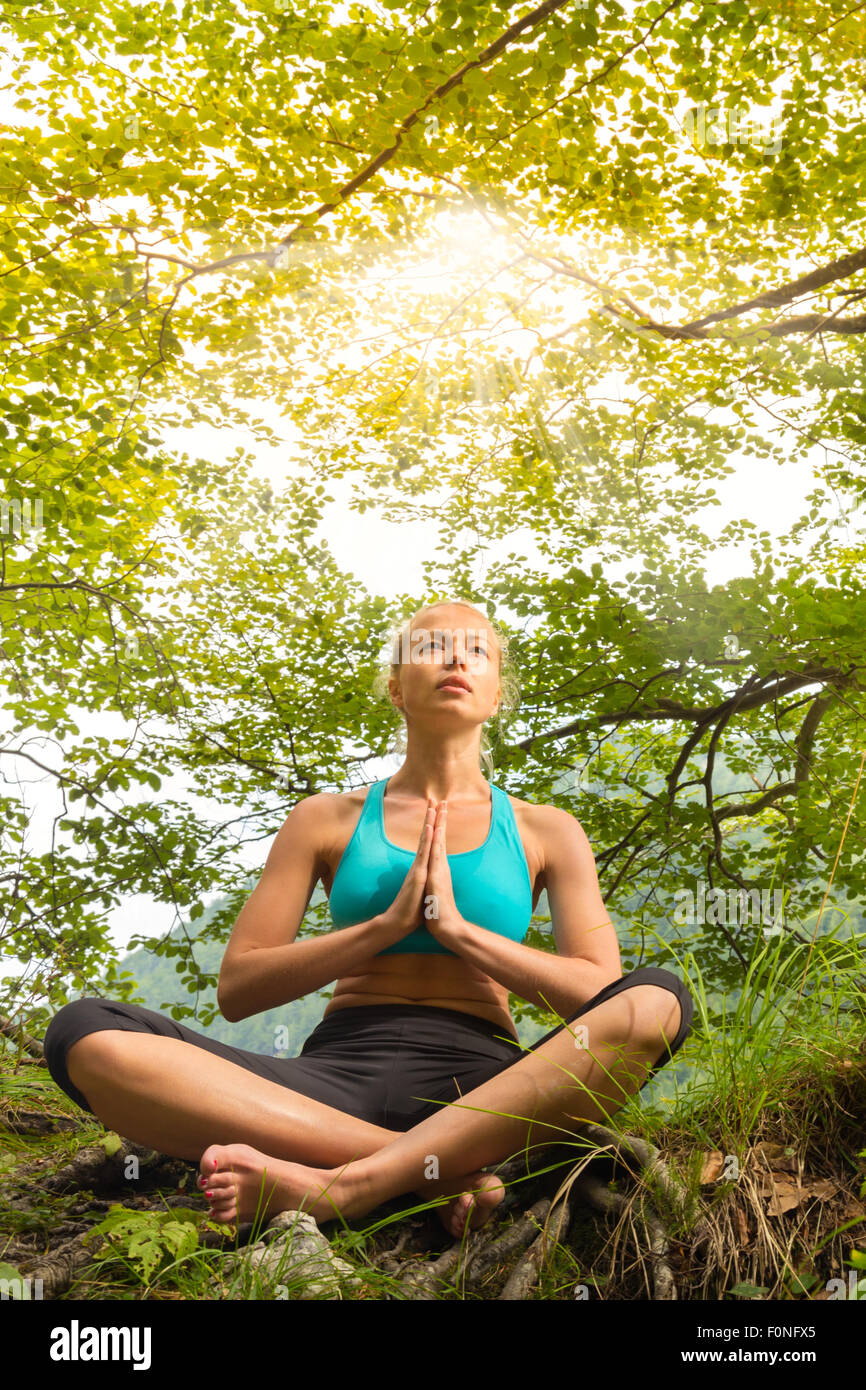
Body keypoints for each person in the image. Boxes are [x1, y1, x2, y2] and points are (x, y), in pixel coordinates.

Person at [43, 599, 694, 1239]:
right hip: (331, 1080)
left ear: (497, 694)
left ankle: (349, 1184)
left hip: (487, 1090)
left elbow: (598, 995)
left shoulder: (547, 829)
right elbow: (239, 989)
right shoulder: (325, 818)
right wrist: (383, 928)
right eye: (431, 647)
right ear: (396, 687)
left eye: (477, 651)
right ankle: (432, 1172)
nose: (455, 660)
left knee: (656, 1002)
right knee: (89, 1035)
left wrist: (459, 932)